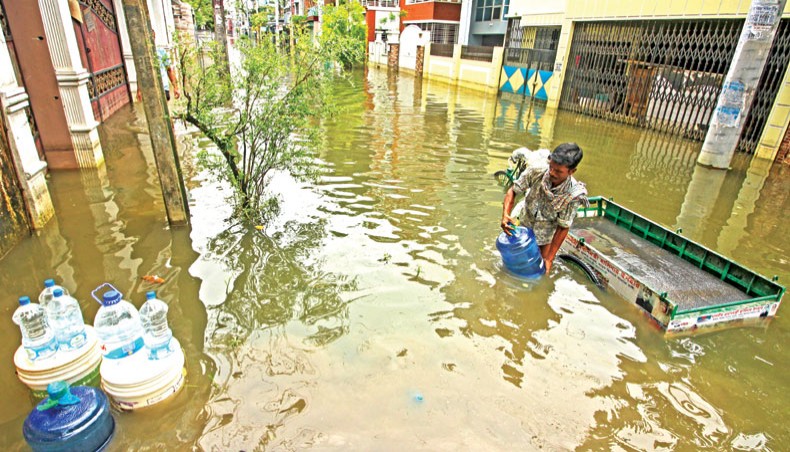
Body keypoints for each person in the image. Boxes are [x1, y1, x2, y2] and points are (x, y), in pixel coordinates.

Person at [500, 143, 588, 273]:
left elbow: (563, 227)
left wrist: (549, 259)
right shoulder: (536, 171)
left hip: (545, 237)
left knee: (538, 271)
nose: (551, 172)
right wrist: (505, 215)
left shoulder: (573, 194)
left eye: (558, 171)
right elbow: (512, 191)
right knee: (511, 265)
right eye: (551, 167)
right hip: (523, 225)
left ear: (571, 171)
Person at [136, 33, 179, 102]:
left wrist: (175, 87)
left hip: (163, 87)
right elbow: (140, 73)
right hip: (148, 88)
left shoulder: (161, 51)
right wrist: (139, 90)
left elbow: (169, 70)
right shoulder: (142, 55)